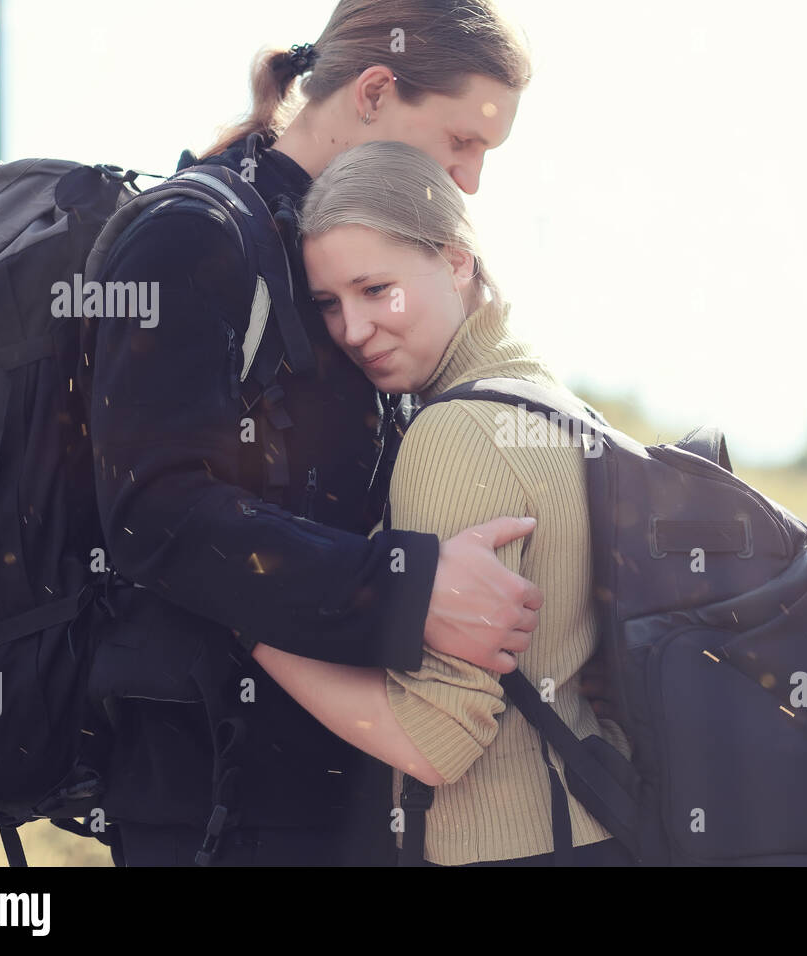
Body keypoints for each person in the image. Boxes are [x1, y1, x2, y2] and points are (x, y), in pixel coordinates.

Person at [84, 0, 539, 866]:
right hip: (214, 806)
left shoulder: (347, 244)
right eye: (462, 140)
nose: (470, 178)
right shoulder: (191, 237)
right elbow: (151, 511)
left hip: (352, 789)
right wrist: (410, 590)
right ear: (374, 89)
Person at [251, 140, 634, 866]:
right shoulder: (556, 404)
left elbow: (435, 741)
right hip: (593, 827)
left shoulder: (455, 433)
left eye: (375, 290)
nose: (354, 331)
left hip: (508, 848)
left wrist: (249, 621)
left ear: (458, 260)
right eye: (329, 304)